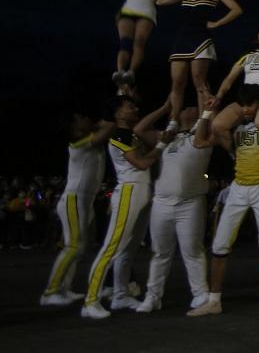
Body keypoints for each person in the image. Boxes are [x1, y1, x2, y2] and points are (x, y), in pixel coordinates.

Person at [187, 84, 259, 320]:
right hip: (238, 188)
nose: (246, 110)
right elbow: (199, 142)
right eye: (243, 105)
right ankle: (214, 301)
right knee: (219, 246)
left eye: (251, 105)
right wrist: (207, 113)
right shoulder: (233, 130)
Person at [81, 94, 167, 319]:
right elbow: (142, 162)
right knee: (112, 247)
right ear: (118, 112)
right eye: (130, 106)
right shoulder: (119, 135)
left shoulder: (128, 134)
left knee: (129, 248)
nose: (134, 108)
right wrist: (162, 144)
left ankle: (120, 294)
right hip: (130, 190)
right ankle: (90, 300)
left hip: (139, 190)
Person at [133, 95, 216, 313]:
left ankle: (200, 294)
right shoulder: (166, 137)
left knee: (192, 250)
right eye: (185, 107)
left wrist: (204, 105)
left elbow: (207, 117)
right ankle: (153, 296)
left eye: (192, 108)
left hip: (191, 203)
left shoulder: (202, 136)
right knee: (160, 252)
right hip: (161, 203)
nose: (188, 110)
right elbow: (140, 130)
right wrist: (165, 107)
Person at [75, 0, 188, 87]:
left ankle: (131, 72)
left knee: (139, 42)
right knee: (125, 43)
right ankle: (120, 71)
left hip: (145, 13)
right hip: (127, 11)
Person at [156, 0, 243, 124]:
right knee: (177, 82)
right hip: (182, 38)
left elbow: (237, 9)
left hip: (201, 37)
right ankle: (173, 120)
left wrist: (217, 23)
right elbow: (160, 1)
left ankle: (202, 120)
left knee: (199, 81)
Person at [41, 111, 114, 306]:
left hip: (85, 201)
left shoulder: (89, 138)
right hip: (74, 199)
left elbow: (103, 124)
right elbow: (107, 128)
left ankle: (64, 288)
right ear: (75, 125)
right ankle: (50, 292)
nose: (88, 118)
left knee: (80, 248)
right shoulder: (77, 143)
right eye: (83, 117)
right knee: (72, 246)